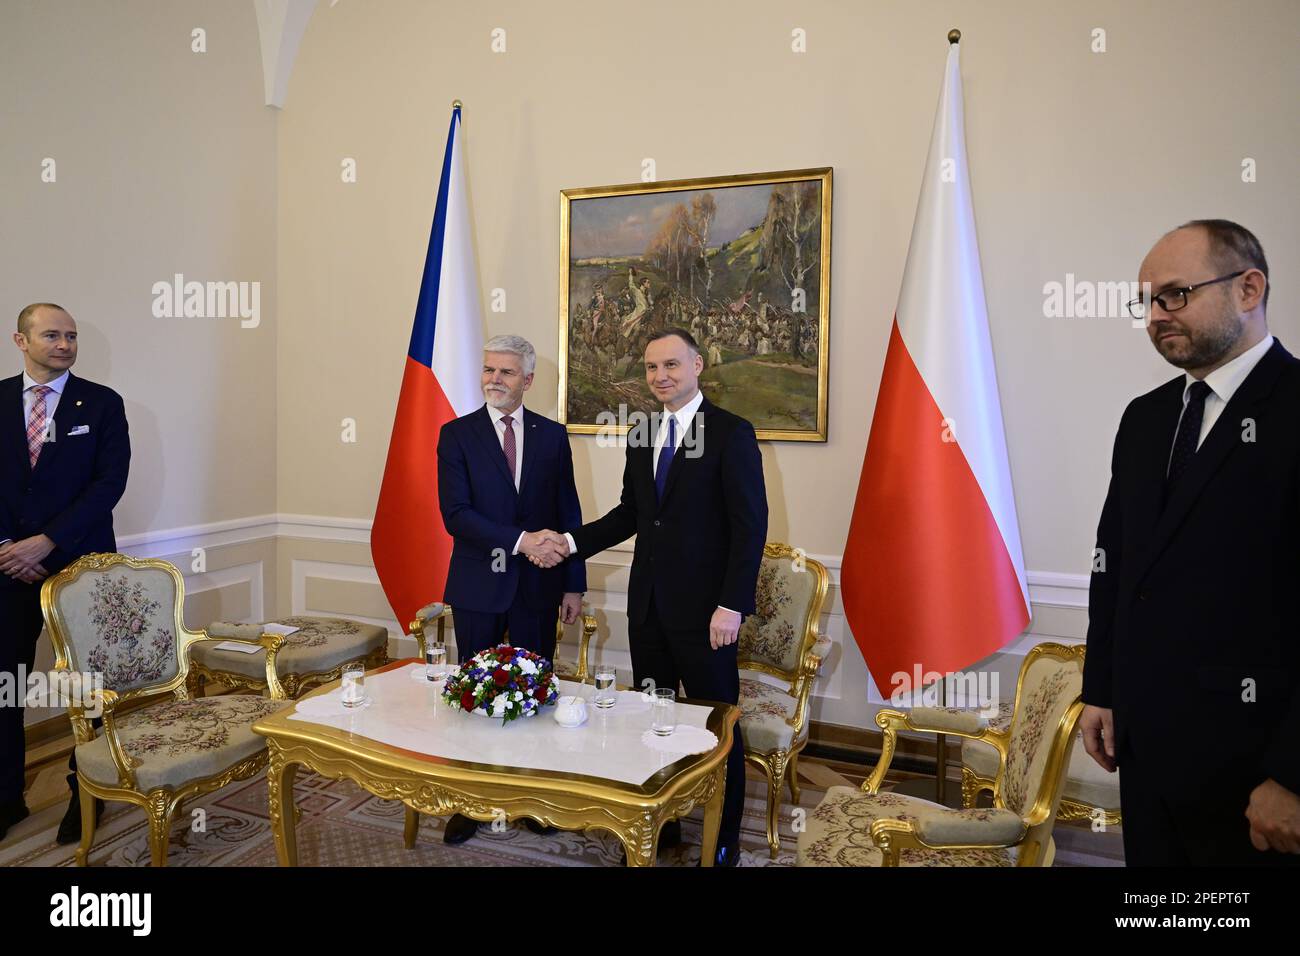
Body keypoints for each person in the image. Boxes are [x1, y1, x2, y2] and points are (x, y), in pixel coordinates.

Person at [1081, 220, 1300, 864]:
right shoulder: (1145, 418)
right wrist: (1103, 688)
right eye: (1146, 301)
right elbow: (1114, 566)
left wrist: (1292, 773)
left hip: (1258, 769)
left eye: (1175, 295)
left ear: (1249, 288)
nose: (1155, 316)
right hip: (1148, 754)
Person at [537, 328, 767, 866]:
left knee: (716, 732)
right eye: (651, 368)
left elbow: (749, 527)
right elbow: (630, 516)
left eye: (671, 366)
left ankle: (722, 837)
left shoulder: (731, 433)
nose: (660, 377)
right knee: (654, 723)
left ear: (697, 366)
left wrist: (731, 605)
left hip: (709, 615)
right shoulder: (642, 433)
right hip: (649, 611)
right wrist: (569, 542)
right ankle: (661, 826)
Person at [435, 334, 585, 845]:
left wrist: (575, 585)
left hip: (538, 589)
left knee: (534, 695)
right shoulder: (456, 435)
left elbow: (568, 513)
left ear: (528, 379)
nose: (494, 380)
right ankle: (471, 802)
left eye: (505, 372)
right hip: (478, 585)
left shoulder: (552, 435)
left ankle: (530, 800)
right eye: (488, 370)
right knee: (473, 695)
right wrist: (523, 541)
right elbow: (456, 516)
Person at [0, 303, 130, 844]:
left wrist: (45, 543)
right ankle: (7, 798)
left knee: (87, 686)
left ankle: (89, 792)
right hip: (6, 571)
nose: (63, 344)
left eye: (70, 336)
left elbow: (108, 485)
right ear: (20, 340)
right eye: (51, 334)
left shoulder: (101, 404)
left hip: (79, 570)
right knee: (5, 687)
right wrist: (8, 548)